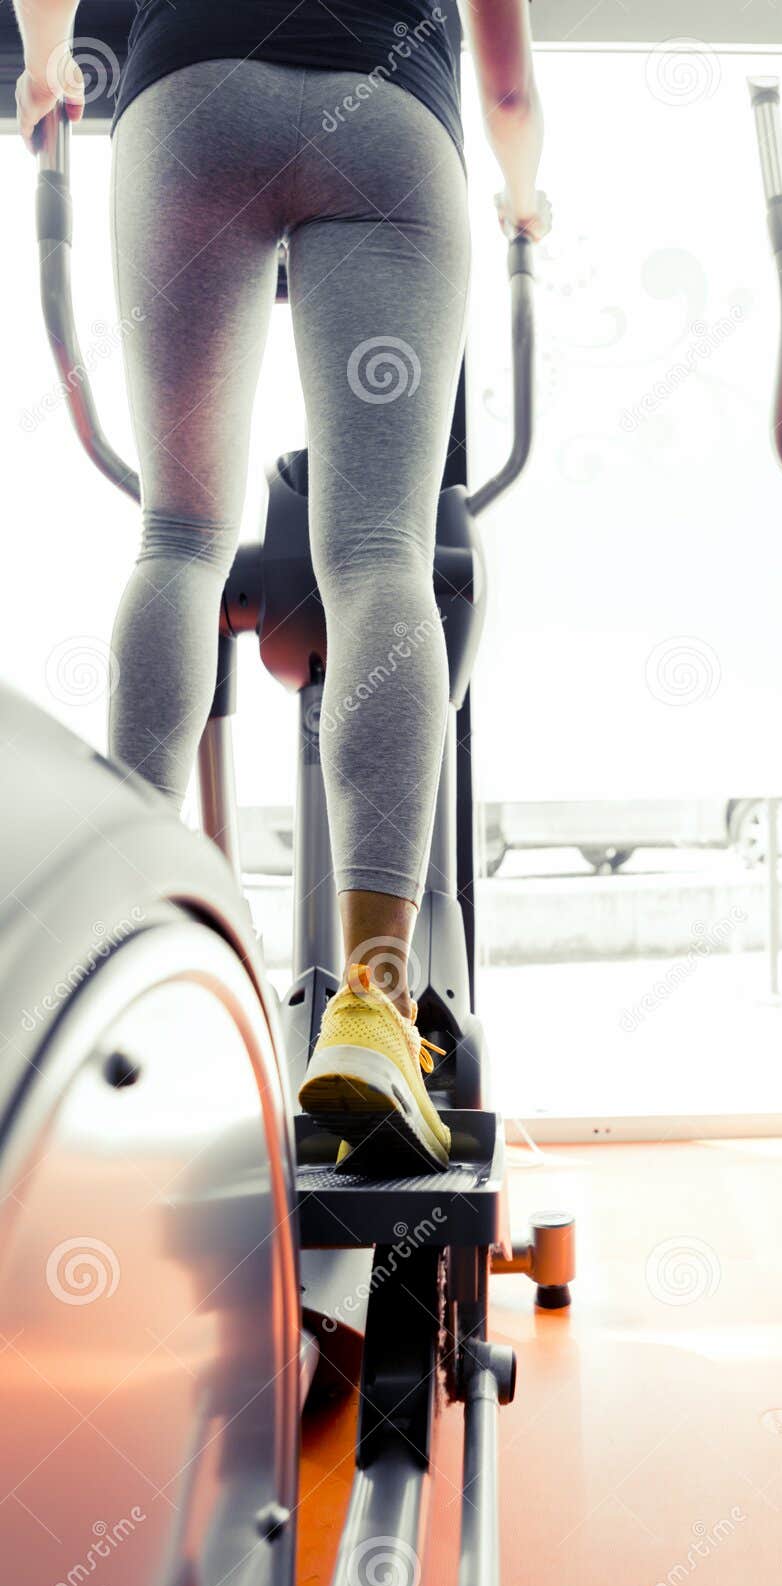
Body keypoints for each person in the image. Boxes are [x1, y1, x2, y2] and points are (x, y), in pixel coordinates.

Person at [13, 0, 549, 1168]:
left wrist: (48, 58)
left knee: (179, 535)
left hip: (189, 95)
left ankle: (133, 968)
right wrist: (521, 193)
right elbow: (504, 79)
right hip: (389, 116)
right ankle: (369, 1004)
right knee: (377, 555)